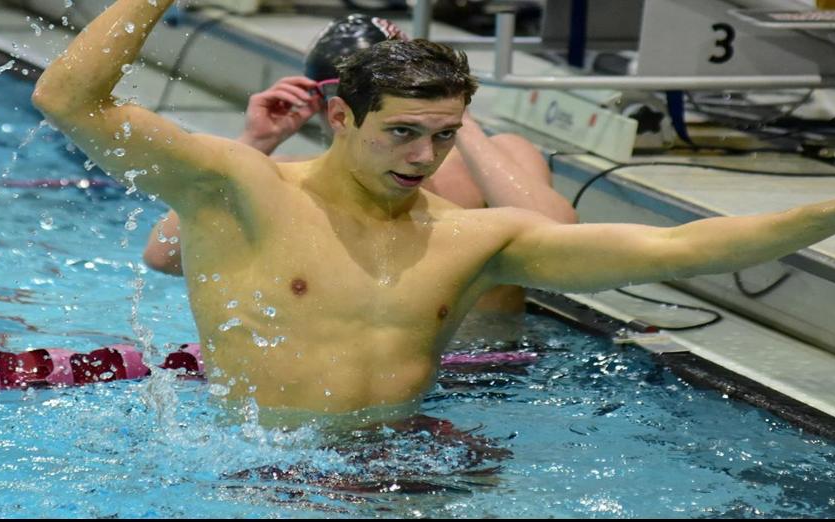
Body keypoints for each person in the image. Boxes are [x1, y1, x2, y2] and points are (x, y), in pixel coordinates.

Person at [33, 0, 835, 431]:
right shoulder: (241, 190)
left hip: (417, 463)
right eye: (403, 134)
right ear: (341, 117)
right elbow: (70, 97)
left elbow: (676, 244)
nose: (425, 160)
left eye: (446, 135)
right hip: (268, 472)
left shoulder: (474, 239)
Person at [143, 14, 576, 335]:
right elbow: (165, 256)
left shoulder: (500, 158)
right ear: (334, 109)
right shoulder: (286, 181)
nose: (421, 154)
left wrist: (455, 119)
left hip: (492, 374)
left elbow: (560, 243)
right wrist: (254, 143)